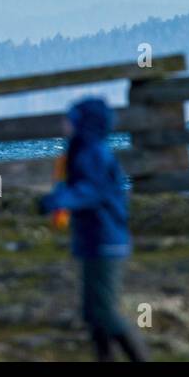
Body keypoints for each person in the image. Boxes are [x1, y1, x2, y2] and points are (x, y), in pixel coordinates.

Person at [38, 97, 148, 362]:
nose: (64, 124)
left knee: (106, 312)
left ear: (84, 123)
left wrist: (58, 200)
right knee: (93, 313)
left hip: (106, 241)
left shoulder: (93, 154)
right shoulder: (82, 151)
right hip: (93, 240)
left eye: (71, 119)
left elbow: (91, 191)